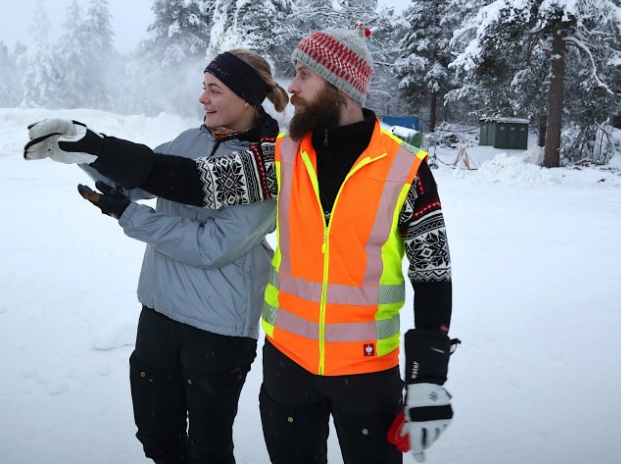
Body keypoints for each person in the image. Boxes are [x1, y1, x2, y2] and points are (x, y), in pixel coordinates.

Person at [25, 27, 457, 464]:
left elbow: (434, 274)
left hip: (366, 373)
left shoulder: (406, 169)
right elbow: (192, 179)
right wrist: (95, 148)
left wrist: (428, 377)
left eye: (305, 75)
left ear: (339, 85)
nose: (292, 87)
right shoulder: (282, 156)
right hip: (288, 367)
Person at [26, 49, 289, 464]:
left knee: (208, 449)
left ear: (247, 98)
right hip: (159, 311)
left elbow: (213, 246)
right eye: (203, 87)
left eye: (214, 90)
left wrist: (131, 218)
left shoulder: (269, 162)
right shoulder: (191, 140)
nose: (202, 98)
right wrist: (89, 157)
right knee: (156, 437)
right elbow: (138, 179)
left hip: (218, 328)